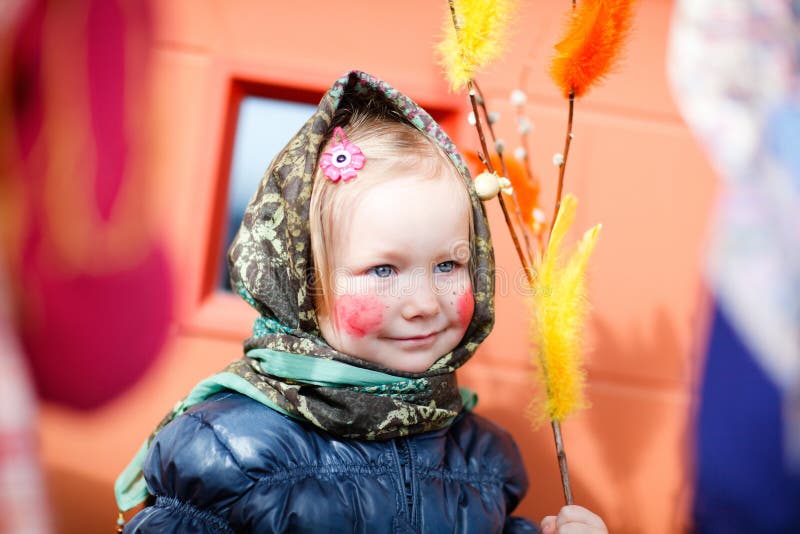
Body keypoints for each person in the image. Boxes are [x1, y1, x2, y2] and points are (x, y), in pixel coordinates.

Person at [115, 70, 607, 533]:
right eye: (383, 270)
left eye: (447, 265)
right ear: (303, 284)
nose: (423, 304)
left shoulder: (483, 458)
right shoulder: (230, 452)